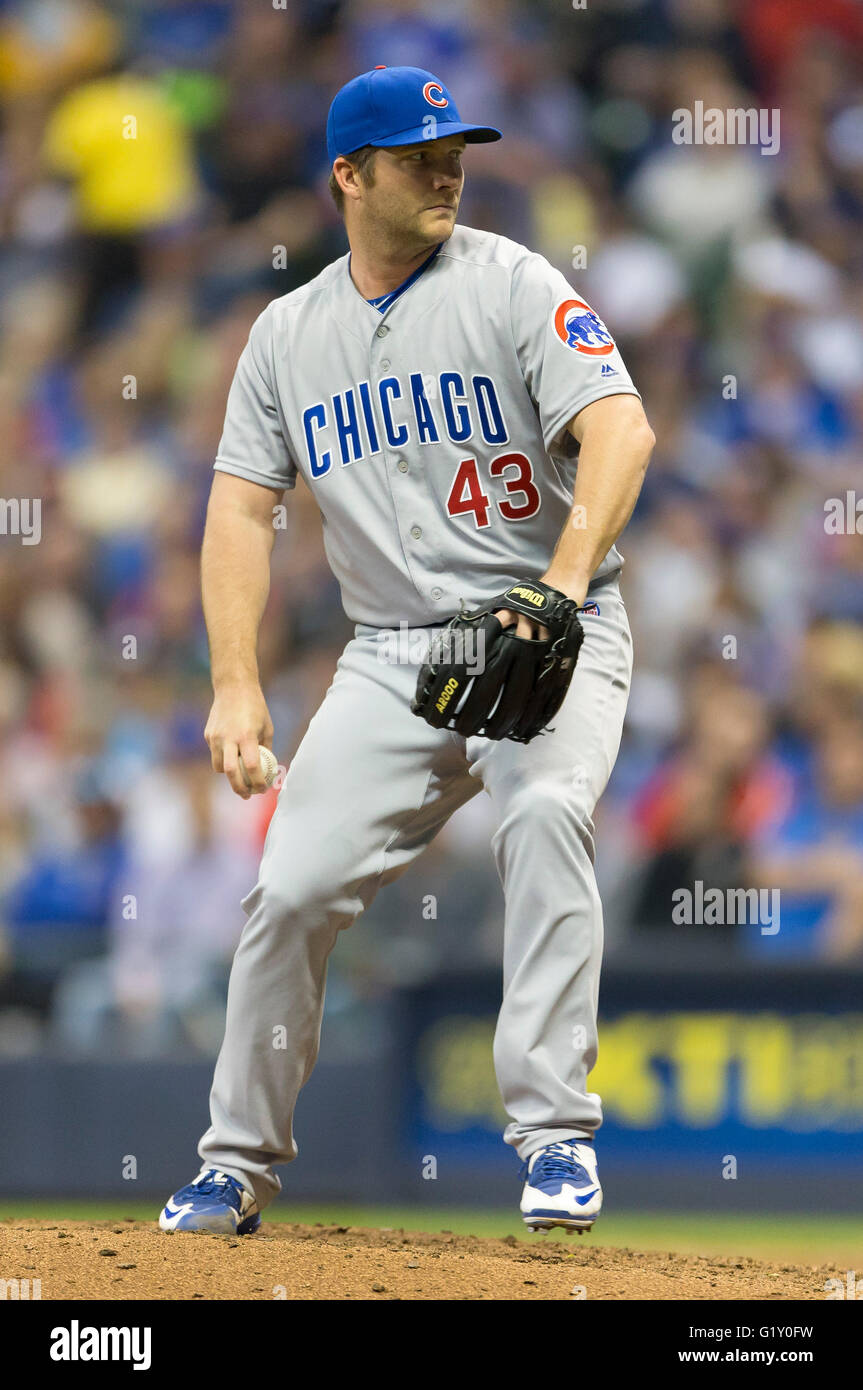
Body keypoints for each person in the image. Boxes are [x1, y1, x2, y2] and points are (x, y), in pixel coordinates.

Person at [159, 66, 654, 1237]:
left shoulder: (512, 282)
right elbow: (239, 508)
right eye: (419, 153)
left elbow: (618, 426)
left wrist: (562, 582)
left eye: (456, 149)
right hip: (392, 654)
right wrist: (233, 680)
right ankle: (233, 1164)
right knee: (288, 889)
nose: (448, 168)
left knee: (542, 817)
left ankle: (553, 1141)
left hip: (548, 624)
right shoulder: (287, 333)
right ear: (348, 174)